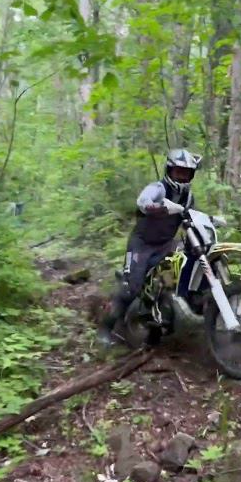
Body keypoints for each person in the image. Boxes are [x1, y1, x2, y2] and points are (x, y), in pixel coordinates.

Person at [97, 148, 201, 347]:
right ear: (169, 171)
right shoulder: (158, 188)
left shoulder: (188, 197)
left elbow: (193, 219)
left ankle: (156, 330)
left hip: (166, 245)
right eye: (178, 171)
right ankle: (105, 329)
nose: (182, 176)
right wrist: (159, 207)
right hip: (141, 245)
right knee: (131, 288)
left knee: (171, 283)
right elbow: (143, 201)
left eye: (186, 173)